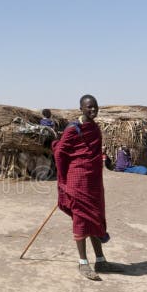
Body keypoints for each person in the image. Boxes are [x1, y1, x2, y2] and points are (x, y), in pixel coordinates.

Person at [53, 94, 122, 281]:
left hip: (94, 182)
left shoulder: (94, 127)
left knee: (95, 218)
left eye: (95, 106)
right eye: (89, 107)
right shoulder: (72, 129)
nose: (93, 110)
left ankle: (101, 260)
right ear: (81, 108)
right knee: (81, 220)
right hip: (77, 181)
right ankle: (83, 262)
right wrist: (63, 179)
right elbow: (59, 153)